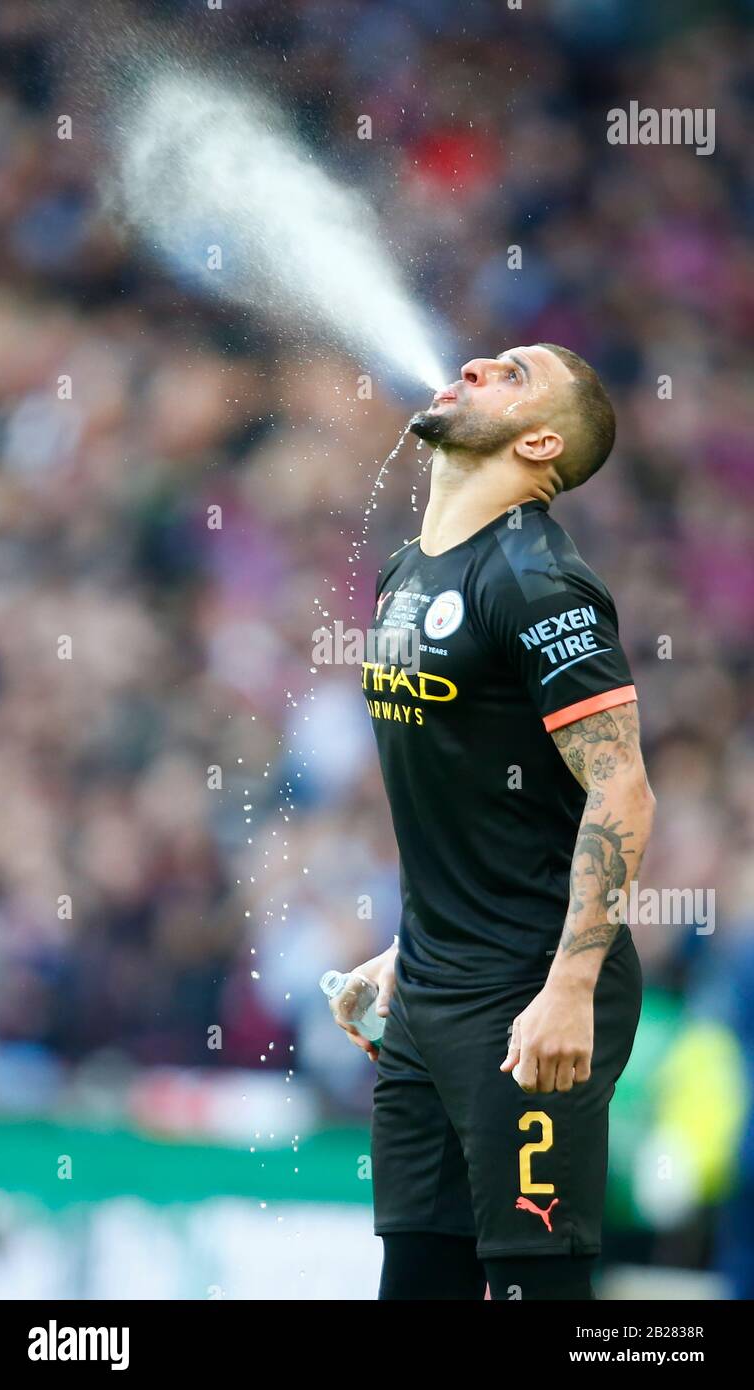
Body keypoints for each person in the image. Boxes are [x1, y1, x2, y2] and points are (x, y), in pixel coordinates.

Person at [334, 344, 655, 1300]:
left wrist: (569, 989)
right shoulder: (406, 569)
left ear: (541, 443)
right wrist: (410, 947)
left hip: (529, 994)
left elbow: (623, 790)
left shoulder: (537, 581)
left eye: (513, 375)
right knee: (416, 1280)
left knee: (535, 1293)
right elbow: (476, 792)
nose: (478, 364)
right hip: (433, 988)